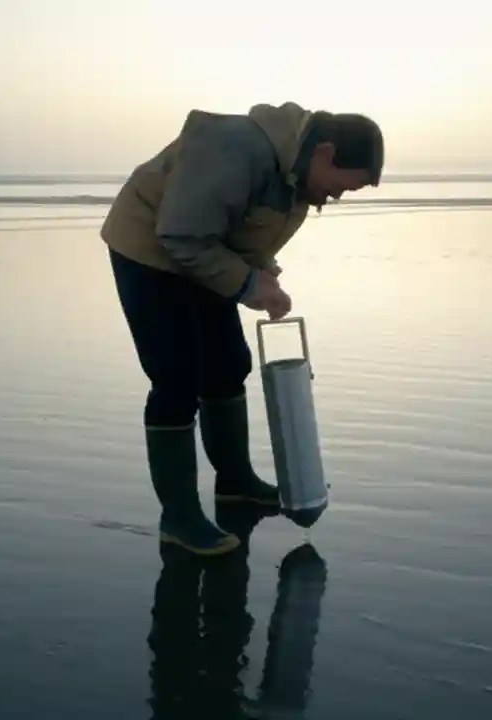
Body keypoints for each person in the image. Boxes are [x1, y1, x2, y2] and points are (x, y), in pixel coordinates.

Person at [100, 101, 384, 555]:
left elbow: (246, 230)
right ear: (326, 153)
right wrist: (250, 285)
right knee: (176, 379)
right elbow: (181, 233)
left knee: (228, 362)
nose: (336, 197)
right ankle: (179, 518)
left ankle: (235, 484)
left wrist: (261, 272)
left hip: (203, 254)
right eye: (341, 187)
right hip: (151, 250)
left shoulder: (297, 179)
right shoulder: (237, 148)